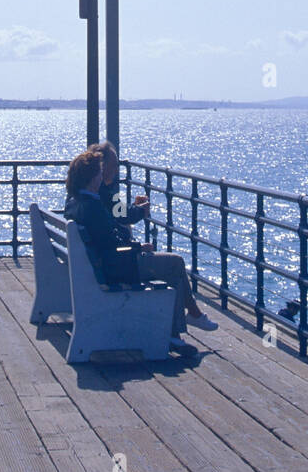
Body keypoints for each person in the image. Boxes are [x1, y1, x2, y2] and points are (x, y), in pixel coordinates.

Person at [64, 148, 217, 347]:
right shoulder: (95, 203)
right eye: (101, 172)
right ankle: (174, 331)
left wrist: (133, 243)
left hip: (100, 265)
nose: (105, 175)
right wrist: (138, 248)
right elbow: (113, 238)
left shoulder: (75, 201)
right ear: (93, 177)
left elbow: (108, 235)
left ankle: (187, 320)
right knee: (175, 264)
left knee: (171, 264)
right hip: (116, 267)